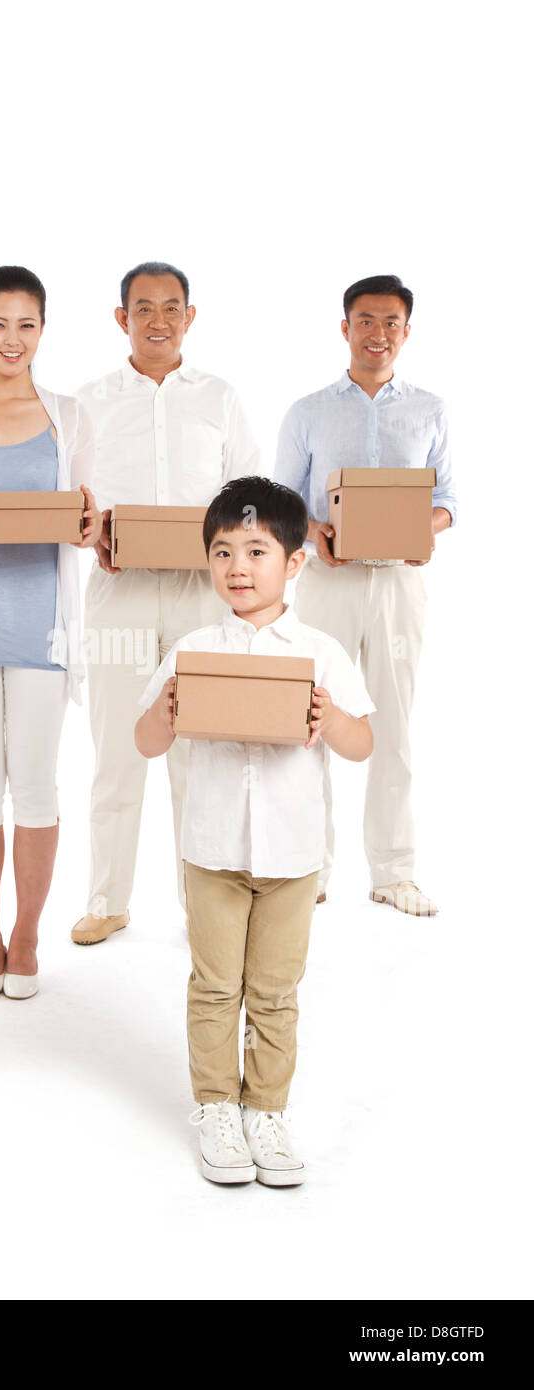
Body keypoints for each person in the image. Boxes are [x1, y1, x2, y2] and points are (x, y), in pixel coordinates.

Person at [135, 477, 375, 1184]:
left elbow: (361, 742)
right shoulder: (193, 648)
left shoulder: (320, 652)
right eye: (222, 551)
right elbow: (146, 741)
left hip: (293, 857)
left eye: (256, 551)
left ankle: (266, 1110)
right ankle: (216, 1106)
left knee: (274, 989)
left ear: (294, 563)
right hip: (212, 850)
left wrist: (326, 717)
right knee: (214, 985)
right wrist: (169, 711)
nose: (237, 568)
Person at [72, 261, 261, 946]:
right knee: (117, 749)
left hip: (199, 594)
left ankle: (200, 906)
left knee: (198, 752)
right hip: (119, 589)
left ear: (189, 316)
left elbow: (250, 499)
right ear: (122, 319)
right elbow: (74, 504)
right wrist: (90, 533)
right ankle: (107, 898)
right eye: (143, 308)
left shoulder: (219, 398)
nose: (158, 319)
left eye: (171, 307)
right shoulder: (88, 402)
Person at [275, 274, 457, 915]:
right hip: (329, 581)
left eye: (391, 322)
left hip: (399, 585)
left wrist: (423, 529)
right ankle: (310, 868)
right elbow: (282, 498)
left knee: (394, 725)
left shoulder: (430, 410)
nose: (377, 334)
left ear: (406, 332)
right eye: (366, 320)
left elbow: (447, 503)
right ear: (345, 327)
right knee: (312, 717)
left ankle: (394, 871)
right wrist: (315, 527)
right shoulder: (308, 411)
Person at [0, 266, 101, 998]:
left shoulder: (68, 415)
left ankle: (26, 935)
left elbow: (90, 524)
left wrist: (89, 523)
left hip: (43, 630)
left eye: (27, 324)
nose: (12, 339)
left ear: (43, 330)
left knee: (36, 790)